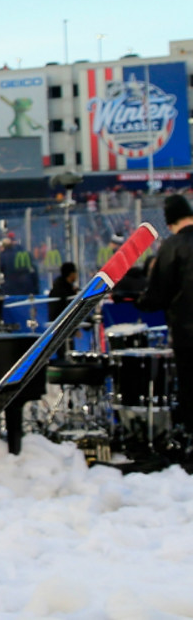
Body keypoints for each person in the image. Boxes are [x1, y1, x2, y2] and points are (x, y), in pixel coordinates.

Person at [138, 194, 193, 455]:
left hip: (187, 329)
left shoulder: (173, 246)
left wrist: (142, 301)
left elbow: (158, 291)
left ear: (170, 222)